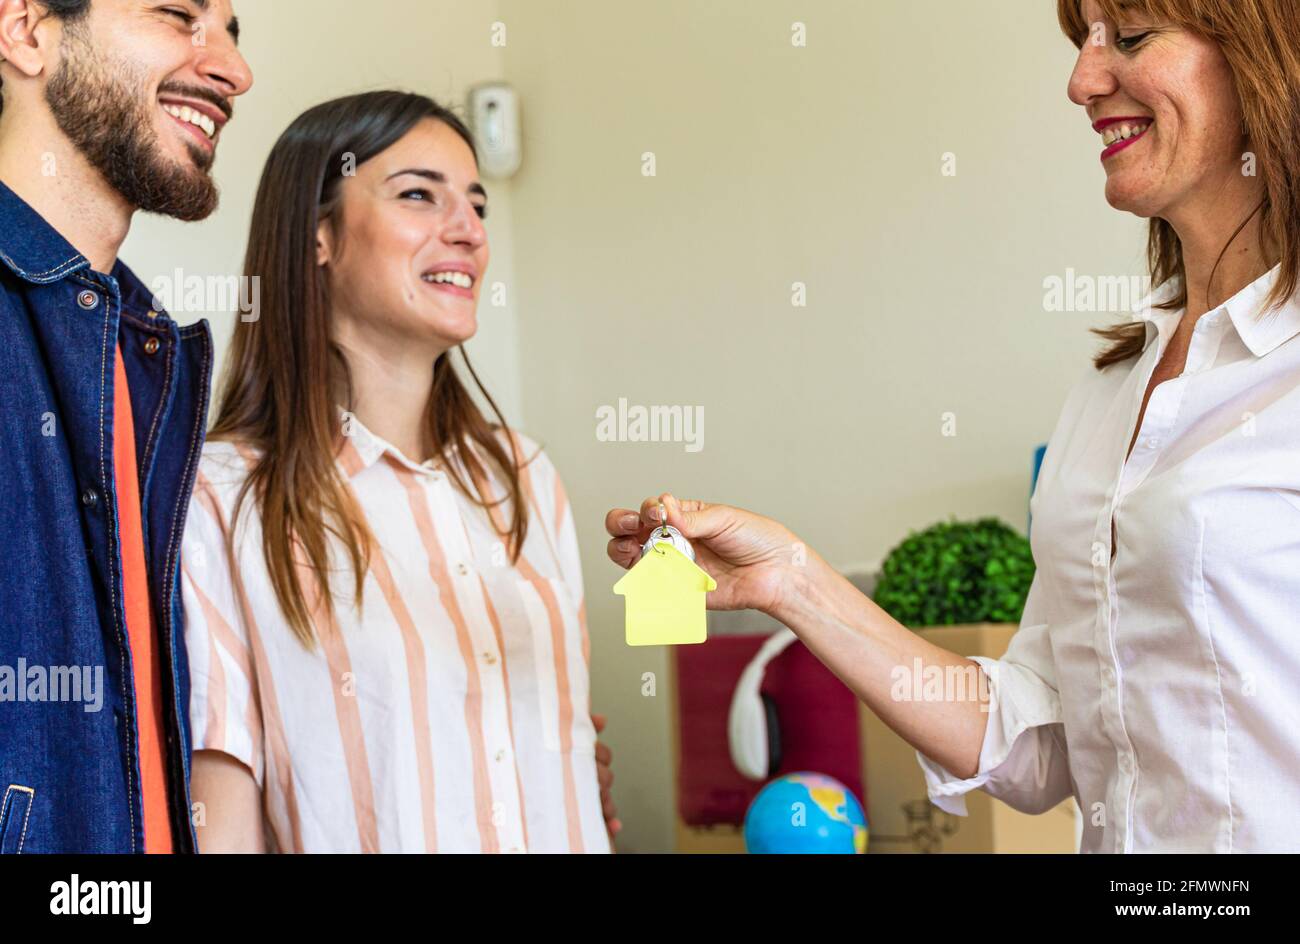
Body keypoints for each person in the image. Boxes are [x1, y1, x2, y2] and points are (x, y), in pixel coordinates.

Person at [606, 0, 1300, 853]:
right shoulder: (1110, 389)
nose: (1082, 81)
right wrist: (793, 582)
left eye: (1129, 37)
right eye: (1081, 43)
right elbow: (1044, 741)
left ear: (1264, 56)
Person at [183, 91, 615, 853]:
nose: (469, 232)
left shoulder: (526, 477)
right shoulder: (221, 496)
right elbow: (222, 800)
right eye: (420, 194)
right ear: (318, 235)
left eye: (476, 206)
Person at [0, 0, 252, 853]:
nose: (232, 71)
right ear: (27, 30)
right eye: (178, 14)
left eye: (231, 33)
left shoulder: (149, 356)